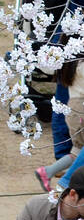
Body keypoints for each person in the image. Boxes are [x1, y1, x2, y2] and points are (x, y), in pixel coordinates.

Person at [37, 57, 84, 191]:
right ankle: (64, 183)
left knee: (78, 150)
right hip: (81, 108)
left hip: (73, 108)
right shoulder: (81, 64)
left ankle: (48, 172)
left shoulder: (71, 62)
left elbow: (47, 67)